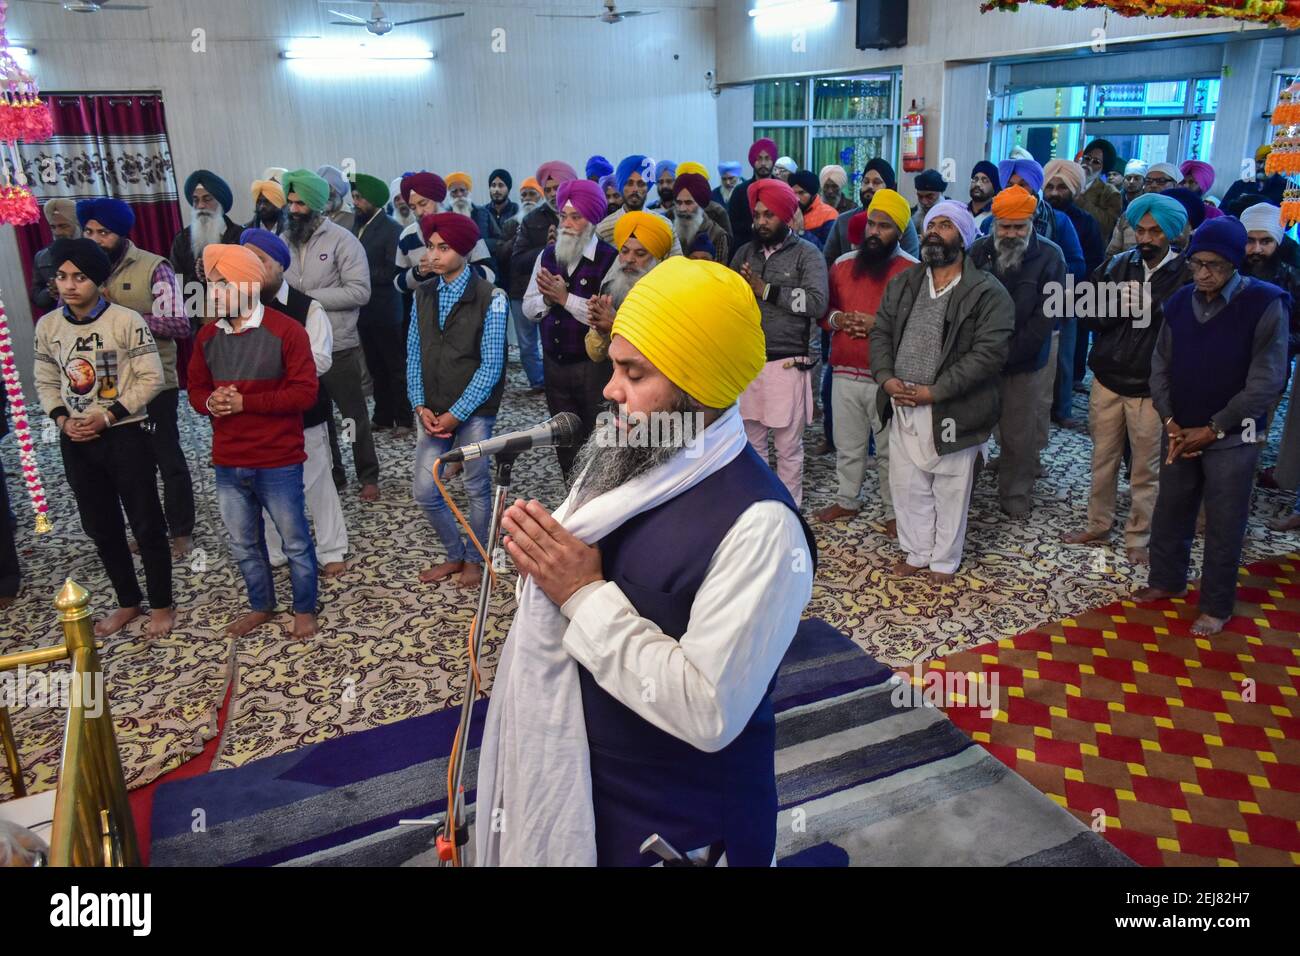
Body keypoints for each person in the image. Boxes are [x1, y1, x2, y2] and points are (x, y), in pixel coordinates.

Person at [476, 255, 814, 867]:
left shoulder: (762, 529)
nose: (610, 390)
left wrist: (580, 594)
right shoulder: (634, 451)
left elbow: (708, 710)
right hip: (586, 783)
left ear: (700, 387)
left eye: (633, 372)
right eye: (613, 367)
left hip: (679, 823)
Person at [1135, 217, 1290, 637]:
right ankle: (1166, 580)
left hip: (1234, 436)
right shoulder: (1182, 300)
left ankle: (1217, 605)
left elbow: (1267, 382)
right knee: (1172, 509)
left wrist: (1215, 428)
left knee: (1223, 522)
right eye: (1196, 264)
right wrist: (1170, 420)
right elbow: (1160, 364)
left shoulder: (1266, 303)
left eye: (1215, 266)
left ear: (1234, 264)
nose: (1203, 274)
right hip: (1182, 428)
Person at [34, 238, 173, 637]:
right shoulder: (49, 327)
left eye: (80, 276)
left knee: (146, 522)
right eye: (62, 277)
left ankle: (161, 604)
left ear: (98, 279)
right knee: (102, 526)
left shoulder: (126, 321)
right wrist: (62, 419)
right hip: (76, 441)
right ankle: (128, 602)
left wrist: (108, 416)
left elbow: (152, 378)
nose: (70, 285)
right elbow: (45, 380)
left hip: (126, 434)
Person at [870, 201, 1013, 582]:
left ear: (963, 238)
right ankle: (917, 553)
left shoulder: (987, 292)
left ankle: (944, 561)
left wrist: (935, 392)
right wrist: (885, 378)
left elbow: (988, 354)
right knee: (907, 483)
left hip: (953, 408)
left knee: (950, 487)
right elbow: (882, 331)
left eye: (946, 225)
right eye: (931, 224)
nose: (934, 231)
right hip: (902, 401)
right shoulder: (905, 282)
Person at [188, 243, 320, 639]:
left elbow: (304, 394)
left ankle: (305, 608)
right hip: (228, 460)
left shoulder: (287, 331)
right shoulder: (208, 336)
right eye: (210, 284)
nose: (213, 293)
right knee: (245, 544)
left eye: (222, 283)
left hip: (278, 459)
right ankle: (261, 605)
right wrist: (211, 402)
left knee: (294, 541)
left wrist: (247, 403)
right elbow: (194, 390)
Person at [1062, 193, 1189, 565]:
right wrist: (1116, 305)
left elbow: (1188, 330)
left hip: (1151, 388)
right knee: (1102, 458)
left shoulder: (1185, 276)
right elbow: (1083, 314)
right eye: (1140, 230)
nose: (1145, 238)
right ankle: (1098, 523)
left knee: (1145, 467)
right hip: (1107, 378)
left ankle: (1138, 536)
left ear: (1170, 233)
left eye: (1154, 232)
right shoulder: (1116, 265)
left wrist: (1152, 310)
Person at [78, 197, 195, 557]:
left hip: (154, 381)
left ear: (121, 234)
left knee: (167, 459)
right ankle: (150, 531)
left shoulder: (153, 267)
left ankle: (181, 532)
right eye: (89, 231)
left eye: (103, 232)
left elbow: (179, 323)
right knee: (130, 465)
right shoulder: (81, 272)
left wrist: (126, 317)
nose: (95, 239)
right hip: (111, 382)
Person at [240, 228, 349, 577]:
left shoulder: (306, 307)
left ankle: (331, 549)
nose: (253, 269)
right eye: (247, 261)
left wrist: (271, 375)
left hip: (303, 411)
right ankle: (277, 551)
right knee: (265, 484)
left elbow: (320, 359)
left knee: (317, 480)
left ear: (280, 266)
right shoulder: (238, 307)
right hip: (257, 415)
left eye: (261, 260)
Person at [407, 213, 508, 588]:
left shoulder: (491, 297)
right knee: (425, 489)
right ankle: (454, 552)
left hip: (474, 411)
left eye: (443, 247)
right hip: (431, 409)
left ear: (464, 250)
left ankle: (474, 557)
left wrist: (456, 415)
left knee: (476, 488)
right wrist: (420, 404)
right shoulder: (423, 293)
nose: (433, 255)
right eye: (430, 246)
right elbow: (414, 353)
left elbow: (492, 366)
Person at [815, 191, 917, 536]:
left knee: (891, 450)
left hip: (887, 378)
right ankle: (847, 499)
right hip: (843, 370)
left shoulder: (914, 273)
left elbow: (921, 326)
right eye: (871, 223)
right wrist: (840, 320)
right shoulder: (842, 264)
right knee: (848, 444)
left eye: (884, 226)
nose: (874, 232)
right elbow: (822, 313)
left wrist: (879, 325)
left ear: (899, 232)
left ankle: (893, 510)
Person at [281, 168, 378, 501]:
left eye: (300, 204)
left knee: (352, 416)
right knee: (318, 418)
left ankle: (367, 474)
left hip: (338, 345)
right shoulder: (284, 241)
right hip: (299, 349)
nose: (293, 210)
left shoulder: (342, 240)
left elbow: (360, 292)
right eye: (290, 202)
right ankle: (334, 474)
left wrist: (307, 300)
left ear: (318, 205)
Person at [970, 185, 1066, 517]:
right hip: (980, 362)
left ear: (1032, 224)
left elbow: (1045, 319)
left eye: (1019, 227)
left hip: (1025, 362)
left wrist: (1007, 355)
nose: (1011, 234)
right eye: (1005, 227)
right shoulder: (978, 252)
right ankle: (962, 492)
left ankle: (1015, 494)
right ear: (994, 223)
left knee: (1018, 434)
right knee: (969, 430)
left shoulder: (1052, 257)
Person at [732, 178, 829, 506]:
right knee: (752, 445)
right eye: (757, 215)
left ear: (786, 217)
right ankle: (759, 507)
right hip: (747, 363)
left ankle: (790, 509)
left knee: (788, 448)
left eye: (768, 215)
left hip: (787, 363)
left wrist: (766, 291)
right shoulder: (745, 252)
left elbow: (817, 303)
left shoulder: (807, 254)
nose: (760, 221)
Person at [524, 178, 619, 480]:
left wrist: (564, 298)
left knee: (599, 438)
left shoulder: (609, 259)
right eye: (563, 216)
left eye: (575, 216)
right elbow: (529, 308)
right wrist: (550, 301)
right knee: (564, 437)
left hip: (594, 368)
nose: (566, 223)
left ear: (592, 220)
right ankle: (572, 500)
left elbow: (605, 317)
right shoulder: (547, 256)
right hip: (555, 365)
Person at [351, 173, 410, 434]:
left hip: (386, 310)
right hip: (364, 311)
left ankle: (404, 418)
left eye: (359, 198)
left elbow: (392, 271)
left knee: (394, 366)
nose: (355, 203)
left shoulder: (391, 229)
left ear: (373, 200)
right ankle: (383, 415)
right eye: (353, 197)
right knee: (375, 367)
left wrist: (358, 275)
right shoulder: (356, 226)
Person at [585, 210, 672, 362]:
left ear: (657, 259)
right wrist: (600, 330)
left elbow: (662, 354)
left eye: (640, 254)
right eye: (624, 251)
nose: (629, 259)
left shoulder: (667, 297)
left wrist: (615, 324)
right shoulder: (610, 287)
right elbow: (595, 355)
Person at [728, 137, 778, 251]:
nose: (763, 163)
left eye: (767, 158)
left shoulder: (783, 189)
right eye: (759, 159)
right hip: (747, 252)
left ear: (773, 160)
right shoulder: (740, 192)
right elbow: (734, 227)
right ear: (752, 161)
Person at [31, 199, 77, 314]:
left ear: (78, 225)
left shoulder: (95, 253)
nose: (57, 232)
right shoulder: (42, 257)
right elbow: (37, 299)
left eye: (63, 226)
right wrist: (50, 291)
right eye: (53, 227)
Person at [909, 168, 948, 233]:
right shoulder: (910, 214)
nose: (924, 202)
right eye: (920, 197)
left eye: (929, 197)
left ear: (940, 194)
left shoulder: (952, 216)